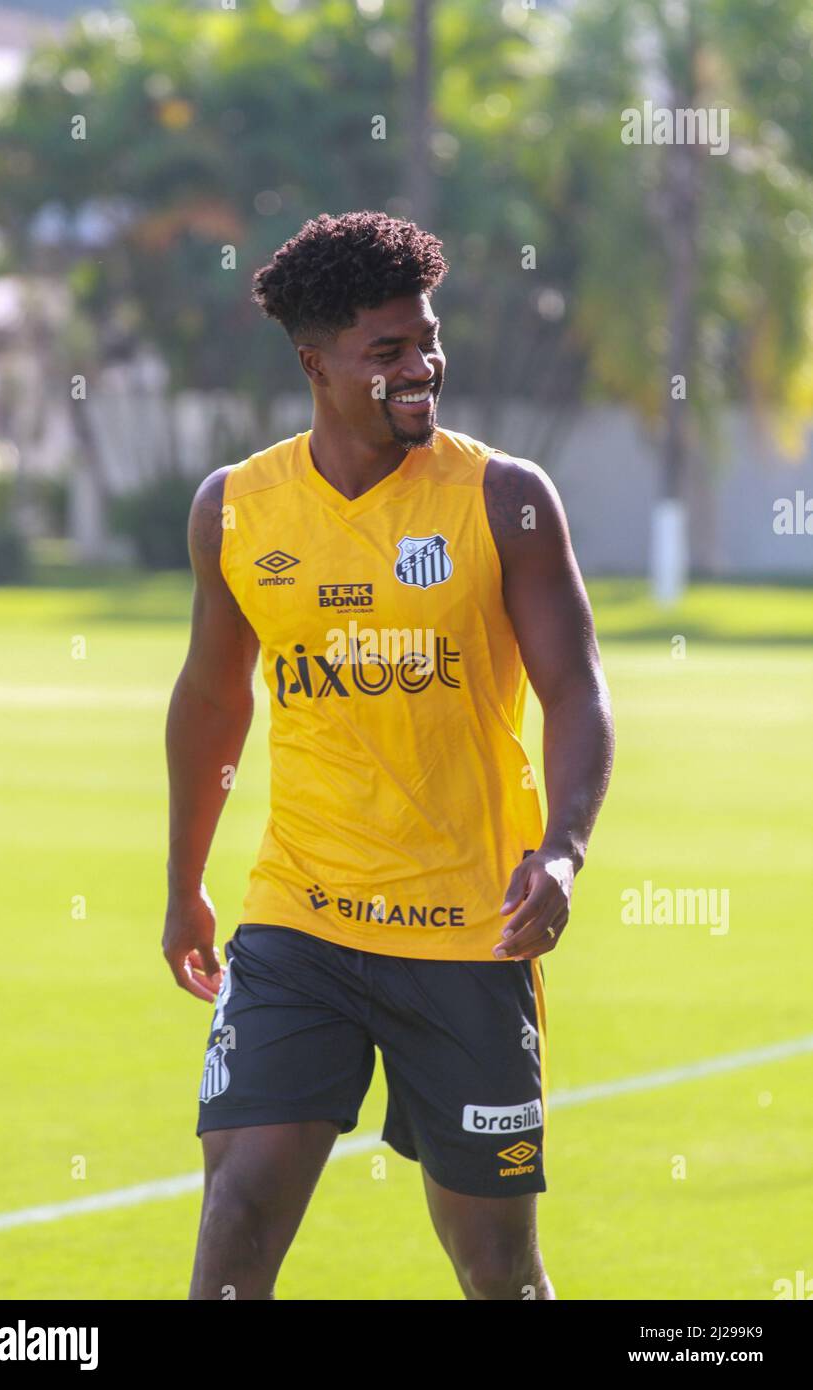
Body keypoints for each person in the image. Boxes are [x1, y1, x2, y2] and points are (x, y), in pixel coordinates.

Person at [163, 211, 614, 1300]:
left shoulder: (502, 501)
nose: (422, 367)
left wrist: (559, 851)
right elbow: (212, 699)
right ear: (315, 364)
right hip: (297, 923)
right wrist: (184, 885)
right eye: (387, 352)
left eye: (427, 340)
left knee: (496, 1268)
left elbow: (574, 692)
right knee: (236, 1218)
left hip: (466, 932)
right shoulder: (235, 509)